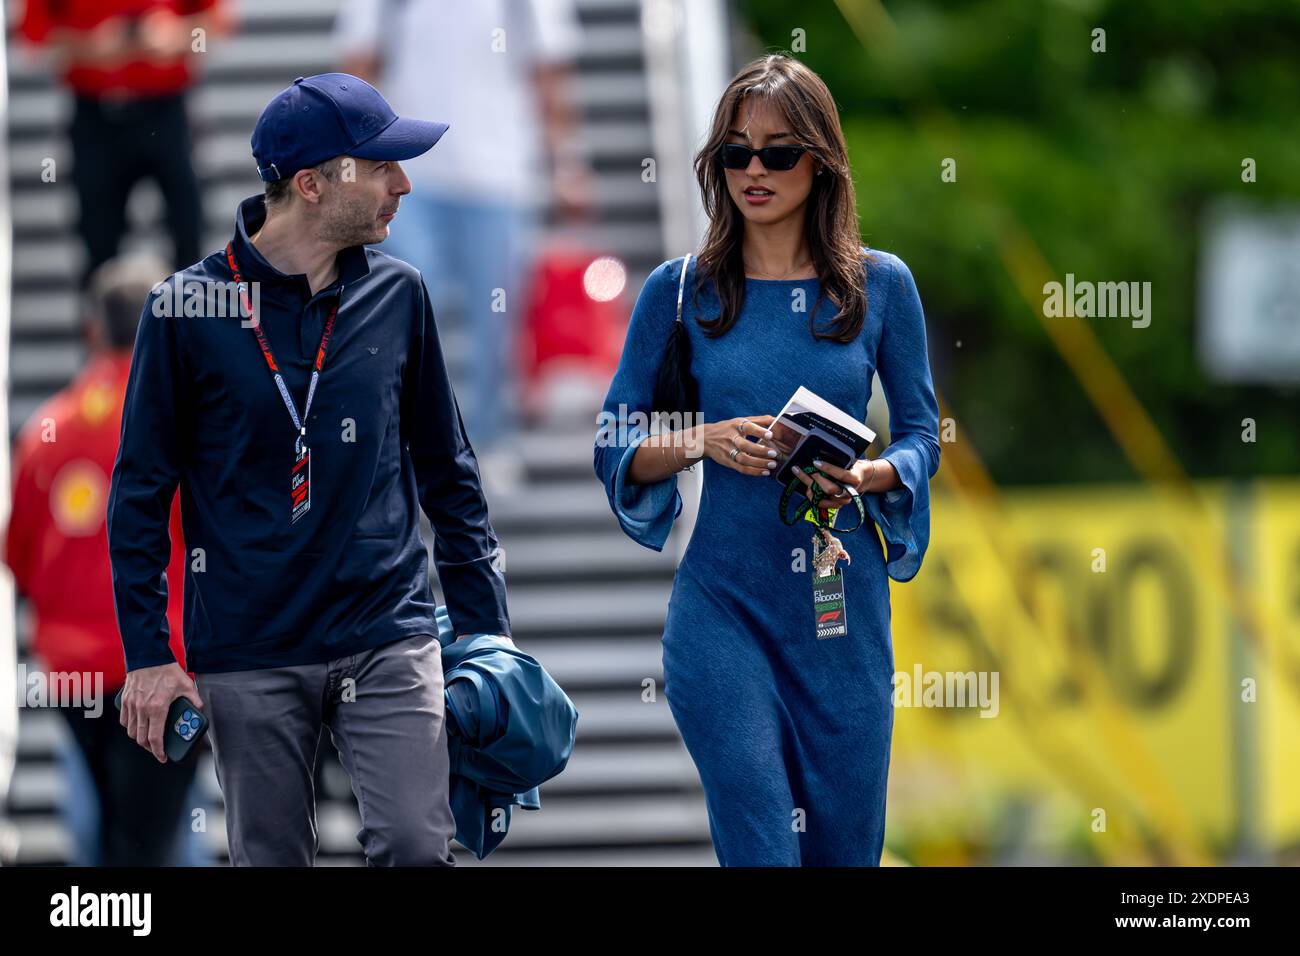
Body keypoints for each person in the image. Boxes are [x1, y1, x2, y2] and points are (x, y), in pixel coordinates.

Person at [107, 73, 512, 866]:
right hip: (250, 644)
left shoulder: (400, 294)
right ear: (313, 184)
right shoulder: (183, 310)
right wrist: (149, 654)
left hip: (387, 631)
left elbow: (450, 475)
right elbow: (138, 496)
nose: (403, 184)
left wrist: (489, 634)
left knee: (417, 848)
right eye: (384, 165)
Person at [593, 54, 941, 866]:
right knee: (761, 850)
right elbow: (615, 441)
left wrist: (869, 475)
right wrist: (700, 441)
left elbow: (923, 434)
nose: (755, 170)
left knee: (842, 851)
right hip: (723, 610)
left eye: (779, 152)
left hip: (839, 611)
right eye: (735, 153)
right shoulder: (680, 292)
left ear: (820, 162)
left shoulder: (881, 287)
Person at [334, 0, 592, 490]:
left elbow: (549, 70)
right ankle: (407, 442)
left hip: (499, 174)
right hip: (409, 175)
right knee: (402, 310)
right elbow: (358, 67)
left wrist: (568, 162)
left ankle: (490, 441)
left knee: (494, 322)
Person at [3, 255, 198, 866]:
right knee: (145, 843)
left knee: (116, 835)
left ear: (92, 330)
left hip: (72, 674)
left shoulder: (46, 429)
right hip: (167, 666)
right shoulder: (190, 425)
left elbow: (18, 555)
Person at [16, 0, 233, 289]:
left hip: (166, 110)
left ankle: (186, 328)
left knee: (189, 230)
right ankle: (104, 327)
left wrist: (174, 36)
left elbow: (216, 26)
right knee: (97, 240)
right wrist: (89, 46)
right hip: (95, 115)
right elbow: (33, 37)